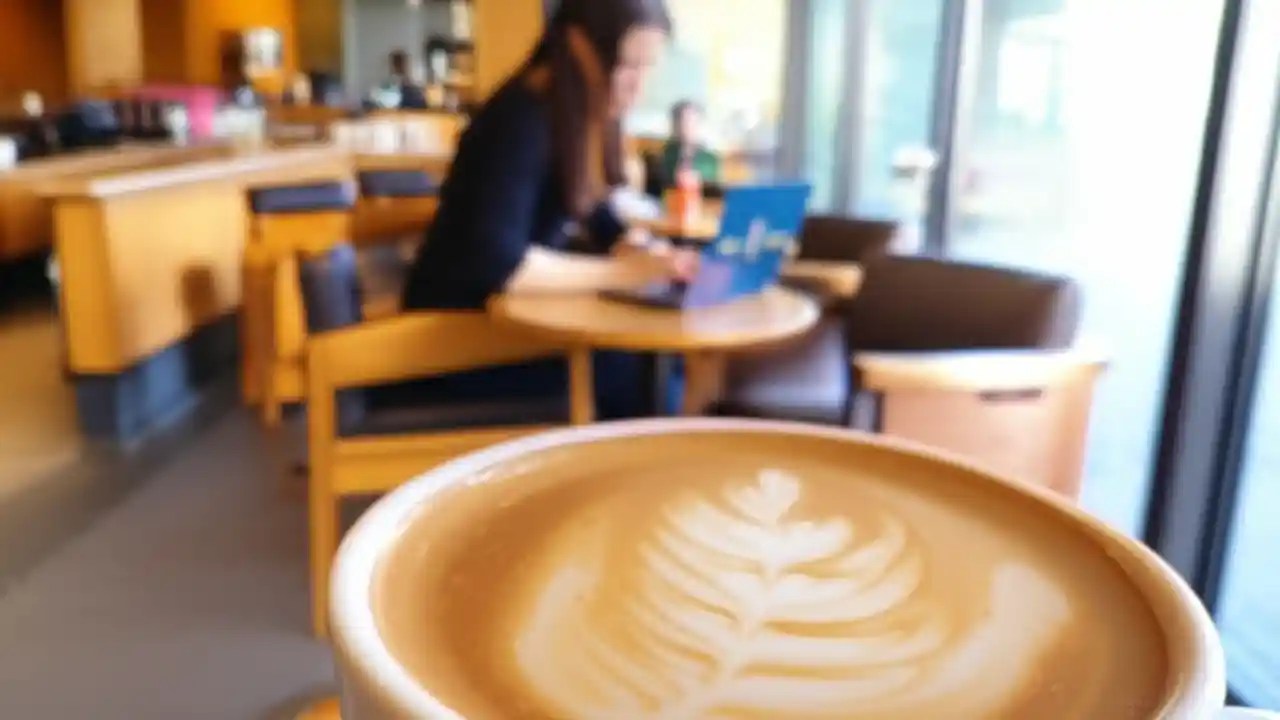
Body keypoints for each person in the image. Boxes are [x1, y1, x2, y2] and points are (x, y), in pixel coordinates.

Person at [401, 0, 693, 419]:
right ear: (579, 47)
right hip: (447, 348)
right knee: (631, 366)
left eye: (648, 70)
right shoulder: (519, 118)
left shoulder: (565, 116)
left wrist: (644, 249)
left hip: (495, 328)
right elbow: (502, 266)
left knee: (651, 360)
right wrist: (628, 272)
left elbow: (597, 215)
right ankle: (613, 481)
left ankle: (627, 478)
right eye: (629, 67)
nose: (637, 88)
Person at [660, 99, 720, 187]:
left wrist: (697, 180)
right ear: (673, 125)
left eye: (690, 121)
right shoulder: (665, 155)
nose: (685, 126)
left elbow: (712, 187)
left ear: (699, 124)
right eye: (680, 121)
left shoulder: (709, 159)